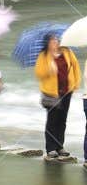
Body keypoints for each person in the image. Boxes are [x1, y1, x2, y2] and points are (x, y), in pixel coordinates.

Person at [35, 32, 80, 162]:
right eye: (53, 40)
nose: (56, 42)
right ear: (47, 43)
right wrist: (49, 70)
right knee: (52, 121)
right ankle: (50, 149)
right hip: (51, 93)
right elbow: (39, 73)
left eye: (56, 40)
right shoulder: (43, 56)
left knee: (62, 120)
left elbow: (75, 67)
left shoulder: (67, 51)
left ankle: (60, 146)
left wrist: (75, 84)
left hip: (66, 91)